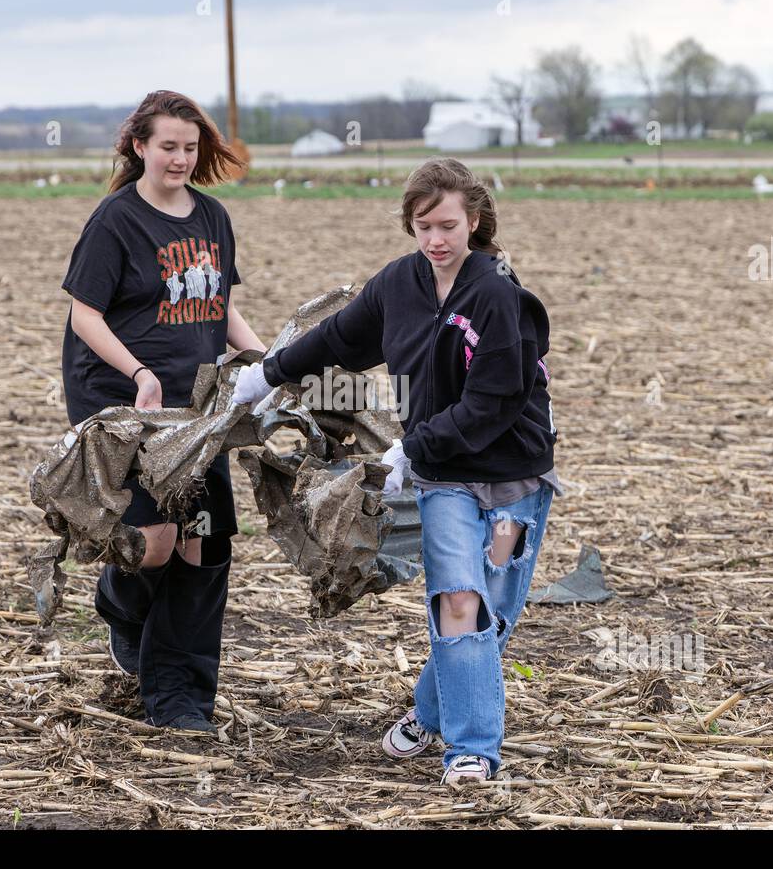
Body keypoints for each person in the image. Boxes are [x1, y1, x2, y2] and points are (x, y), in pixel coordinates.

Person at [233, 157, 561, 782]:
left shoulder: (499, 298)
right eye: (422, 227)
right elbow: (336, 338)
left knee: (493, 609)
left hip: (512, 479)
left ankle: (431, 712)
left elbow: (493, 403)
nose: (436, 240)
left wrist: (411, 449)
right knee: (457, 600)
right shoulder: (398, 286)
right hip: (442, 479)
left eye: (448, 225)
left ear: (475, 221)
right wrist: (267, 372)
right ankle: (472, 750)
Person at [60, 90, 268, 732]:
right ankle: (123, 607)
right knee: (154, 545)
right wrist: (140, 374)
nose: (180, 158)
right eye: (168, 146)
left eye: (190, 146)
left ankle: (179, 698)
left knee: (202, 544)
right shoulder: (116, 221)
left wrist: (264, 361)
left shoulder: (212, 218)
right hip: (125, 403)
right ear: (139, 147)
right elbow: (83, 314)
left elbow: (219, 304)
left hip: (198, 407)